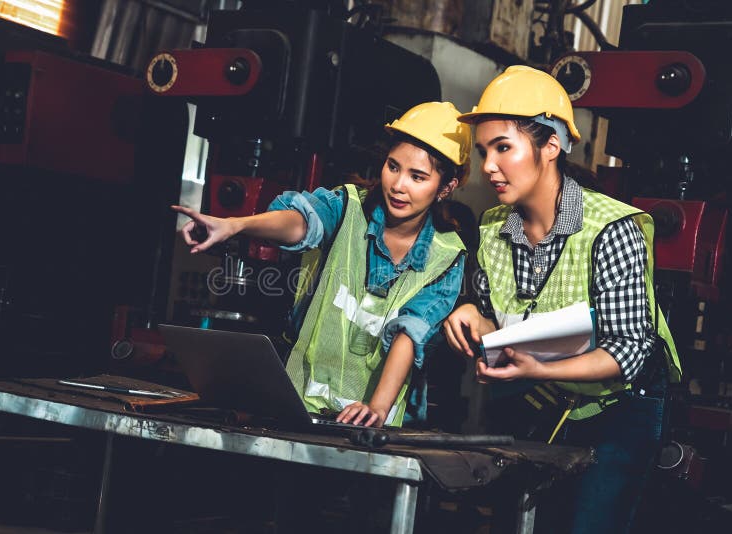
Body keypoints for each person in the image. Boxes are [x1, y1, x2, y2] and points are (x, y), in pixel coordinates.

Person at [442, 66, 682, 533]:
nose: (489, 165)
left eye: (503, 148)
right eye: (484, 151)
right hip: (537, 401)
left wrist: (539, 368)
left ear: (550, 145)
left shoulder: (610, 229)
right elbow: (503, 318)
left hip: (620, 407)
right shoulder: (493, 226)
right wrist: (473, 312)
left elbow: (627, 350)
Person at [174, 101, 471, 428]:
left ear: (446, 187)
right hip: (297, 411)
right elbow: (302, 221)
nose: (399, 185)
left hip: (375, 429)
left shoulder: (447, 256)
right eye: (393, 166)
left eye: (418, 176)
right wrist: (236, 224)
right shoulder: (346, 207)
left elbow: (410, 332)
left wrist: (377, 408)